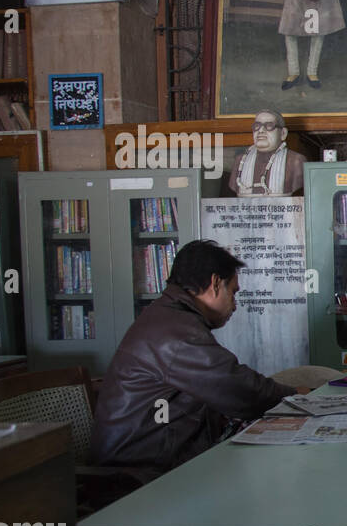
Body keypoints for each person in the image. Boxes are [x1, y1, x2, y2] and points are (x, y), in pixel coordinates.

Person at [91, 240, 307, 477]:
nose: (235, 305)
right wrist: (296, 397)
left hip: (156, 457)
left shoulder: (168, 316)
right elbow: (236, 388)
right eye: (233, 292)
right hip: (139, 474)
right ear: (215, 284)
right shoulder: (174, 330)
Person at [223, 109, 305, 197]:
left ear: (283, 133)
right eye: (257, 126)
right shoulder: (240, 161)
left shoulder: (296, 161)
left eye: (269, 125)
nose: (261, 130)